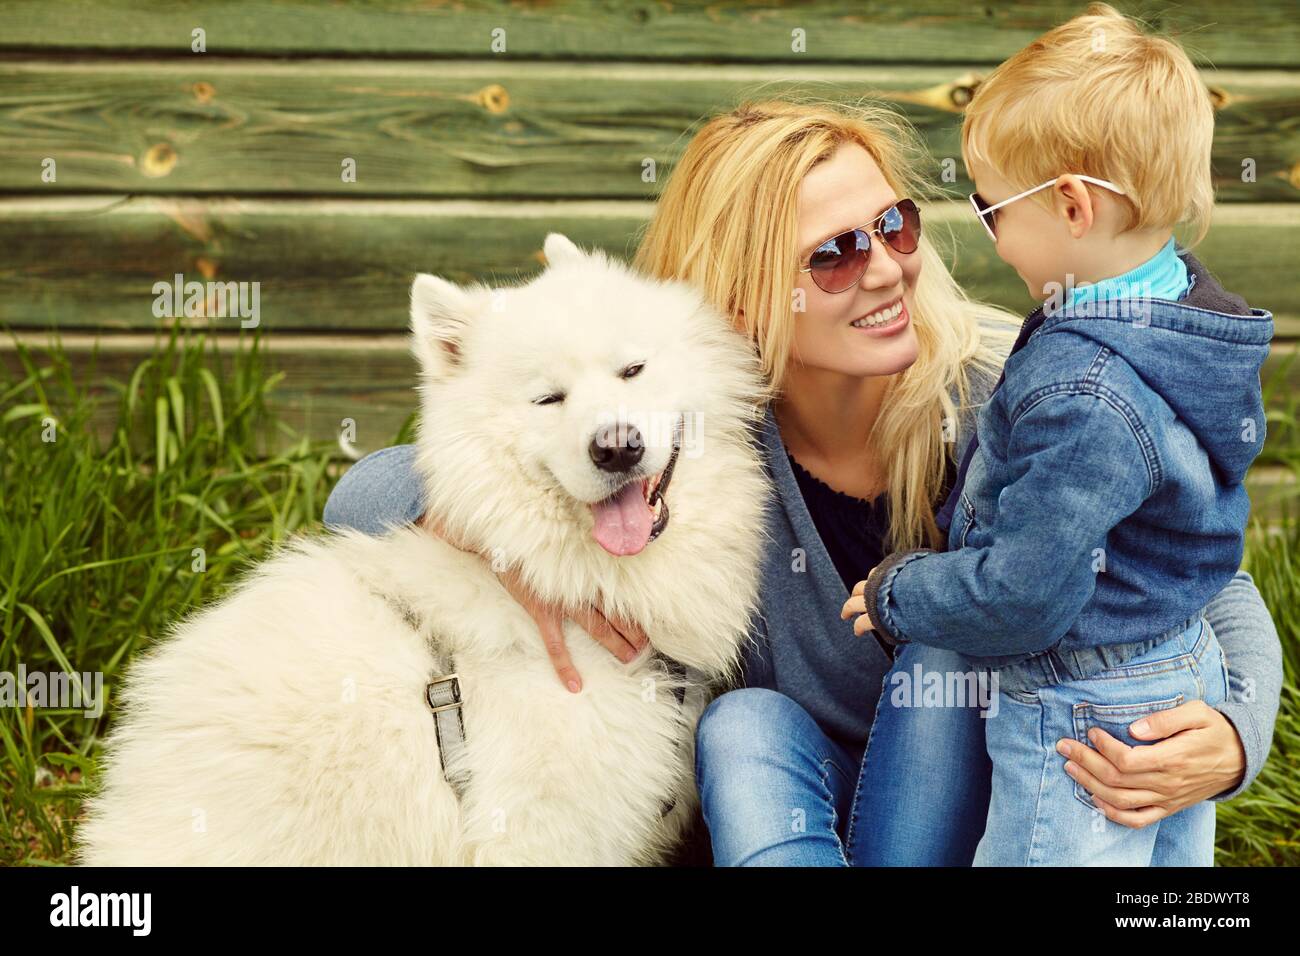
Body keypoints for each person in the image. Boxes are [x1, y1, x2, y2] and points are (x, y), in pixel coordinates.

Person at [323, 96, 1283, 866]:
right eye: (834, 254)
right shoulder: (692, 437)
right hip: (791, 801)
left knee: (941, 660)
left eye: (894, 227)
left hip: (1005, 793)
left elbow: (1210, 578)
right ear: (745, 291)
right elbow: (362, 494)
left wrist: (1236, 733)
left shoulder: (1024, 385)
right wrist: (511, 538)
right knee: (743, 720)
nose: (886, 272)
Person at [843, 4, 1273, 866]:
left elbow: (1023, 595)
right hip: (1177, 671)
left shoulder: (1084, 390)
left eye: (992, 208)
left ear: (1071, 205)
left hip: (1082, 708)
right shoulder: (1183, 328)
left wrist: (900, 593)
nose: (991, 234)